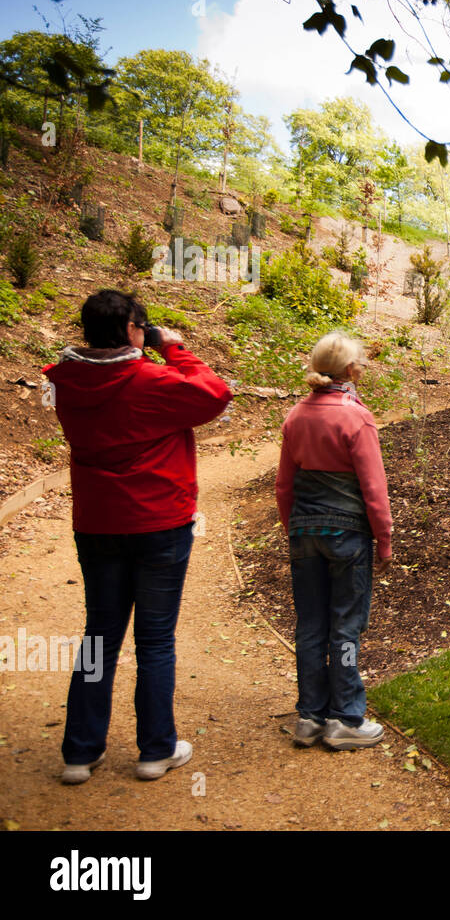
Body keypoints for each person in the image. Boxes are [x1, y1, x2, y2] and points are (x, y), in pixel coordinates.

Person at [44, 289, 233, 784]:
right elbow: (216, 393)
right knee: (154, 641)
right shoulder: (151, 380)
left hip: (97, 524)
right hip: (159, 523)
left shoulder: (62, 381)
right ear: (133, 331)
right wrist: (172, 346)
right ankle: (155, 750)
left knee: (98, 639)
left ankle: (80, 754)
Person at [275, 332, 393, 750]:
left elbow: (284, 486)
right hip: (347, 535)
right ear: (350, 370)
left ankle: (309, 716)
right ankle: (345, 717)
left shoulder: (296, 416)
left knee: (310, 624)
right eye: (360, 362)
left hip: (305, 533)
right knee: (345, 626)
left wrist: (294, 528)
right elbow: (373, 488)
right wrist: (384, 539)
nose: (362, 367)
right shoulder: (356, 417)